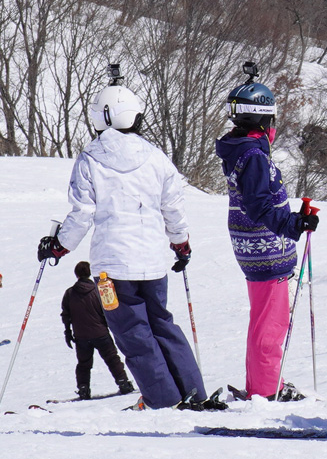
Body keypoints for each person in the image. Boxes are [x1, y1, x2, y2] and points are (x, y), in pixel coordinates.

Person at [39, 74, 222, 410]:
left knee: (134, 334)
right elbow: (173, 208)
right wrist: (180, 244)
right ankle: (194, 392)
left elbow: (81, 214)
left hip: (112, 269)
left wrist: (59, 246)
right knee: (162, 325)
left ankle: (165, 402)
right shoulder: (156, 157)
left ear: (99, 117)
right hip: (153, 264)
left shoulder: (90, 158)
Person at [214, 65, 317, 401]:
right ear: (263, 121)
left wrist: (294, 219)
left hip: (255, 246)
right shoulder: (254, 155)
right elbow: (259, 206)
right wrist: (292, 225)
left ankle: (263, 383)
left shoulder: (243, 151)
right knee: (272, 324)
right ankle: (266, 389)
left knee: (264, 319)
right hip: (264, 250)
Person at [60, 260, 134, 400]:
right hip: (100, 333)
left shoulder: (70, 293)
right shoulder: (98, 291)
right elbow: (107, 310)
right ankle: (123, 383)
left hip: (81, 336)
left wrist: (68, 332)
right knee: (112, 359)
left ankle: (83, 389)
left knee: (83, 364)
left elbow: (66, 315)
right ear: (90, 273)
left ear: (77, 275)